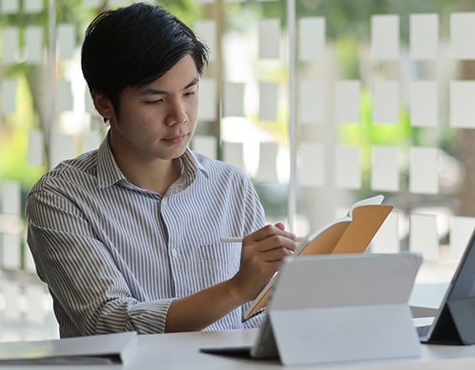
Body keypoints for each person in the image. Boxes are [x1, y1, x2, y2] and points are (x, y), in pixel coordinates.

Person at [25, 2, 297, 338]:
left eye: (190, 92)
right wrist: (236, 289)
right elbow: (109, 320)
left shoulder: (230, 186)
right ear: (103, 102)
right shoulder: (60, 198)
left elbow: (260, 318)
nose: (179, 116)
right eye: (156, 100)